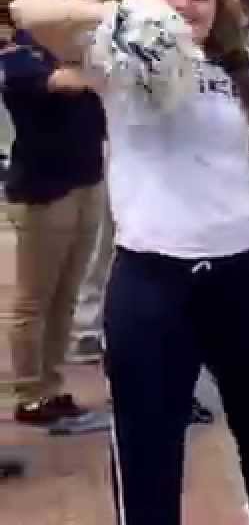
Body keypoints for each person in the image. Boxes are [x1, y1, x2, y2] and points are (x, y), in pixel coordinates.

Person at [9, 0, 249, 525]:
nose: (186, 4)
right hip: (151, 280)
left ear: (218, 4)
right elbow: (27, 11)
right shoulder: (119, 54)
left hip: (241, 275)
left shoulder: (243, 63)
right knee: (147, 441)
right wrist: (135, 14)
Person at [1, 28, 105, 427]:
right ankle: (29, 394)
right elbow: (65, 83)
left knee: (65, 296)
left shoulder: (80, 55)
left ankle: (52, 385)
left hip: (86, 183)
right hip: (45, 192)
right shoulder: (20, 59)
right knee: (34, 300)